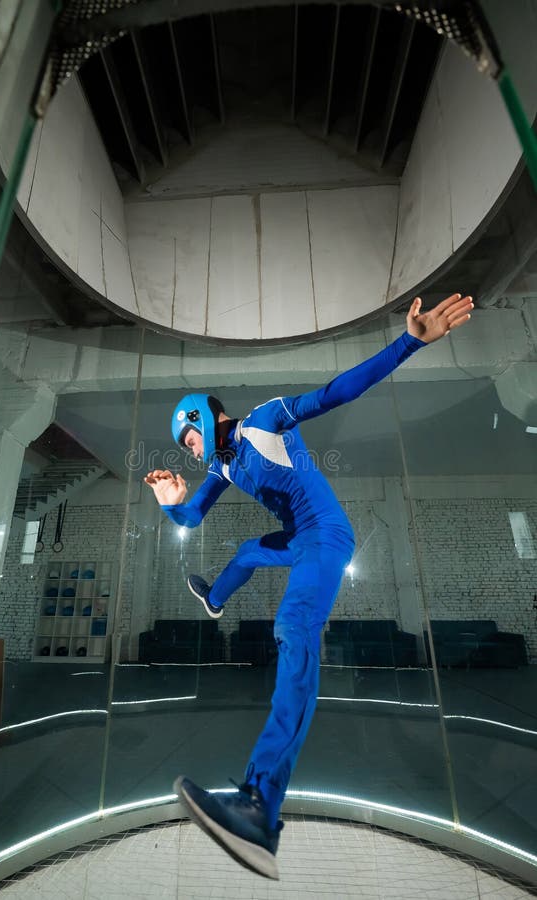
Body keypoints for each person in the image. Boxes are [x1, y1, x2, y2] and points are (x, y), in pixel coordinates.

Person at [144, 293, 473, 880]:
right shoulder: (222, 468)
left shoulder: (264, 420)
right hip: (298, 536)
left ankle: (258, 806)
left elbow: (334, 392)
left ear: (199, 414)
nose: (189, 453)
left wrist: (411, 343)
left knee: (293, 629)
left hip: (326, 535)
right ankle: (216, 598)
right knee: (247, 551)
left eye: (187, 439)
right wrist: (171, 504)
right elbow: (193, 517)